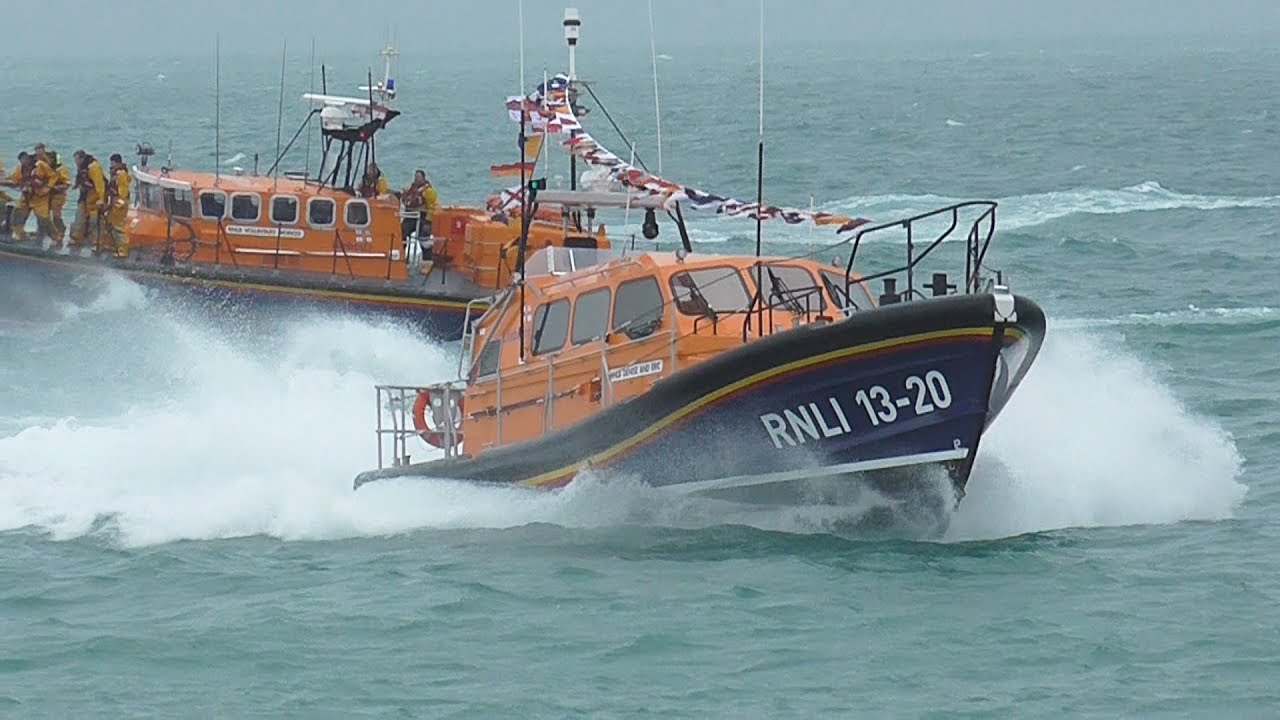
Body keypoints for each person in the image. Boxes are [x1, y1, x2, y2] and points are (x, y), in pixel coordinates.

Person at [7, 150, 56, 243]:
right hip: (26, 196)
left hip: (40, 197)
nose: (24, 162)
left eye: (25, 159)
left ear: (28, 158)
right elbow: (14, 180)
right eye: (21, 161)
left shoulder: (40, 165)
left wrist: (48, 187)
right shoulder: (20, 169)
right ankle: (20, 234)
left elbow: (53, 176)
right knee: (17, 213)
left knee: (44, 218)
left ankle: (55, 238)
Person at [70, 150, 107, 250]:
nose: (76, 163)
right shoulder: (82, 167)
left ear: (82, 158)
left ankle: (97, 243)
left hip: (95, 198)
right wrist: (76, 185)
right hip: (85, 196)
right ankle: (77, 238)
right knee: (79, 216)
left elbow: (100, 185)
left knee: (95, 221)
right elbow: (80, 179)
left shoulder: (93, 167)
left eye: (77, 160)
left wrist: (101, 199)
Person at [38, 144, 72, 247]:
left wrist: (56, 187)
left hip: (58, 196)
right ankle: (43, 231)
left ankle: (60, 232)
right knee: (43, 214)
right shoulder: (48, 169)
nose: (47, 161)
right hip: (49, 195)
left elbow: (67, 184)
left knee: (56, 215)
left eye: (49, 159)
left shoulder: (61, 170)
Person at [400, 169, 439, 258]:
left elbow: (432, 207)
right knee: (401, 233)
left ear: (423, 178)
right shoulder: (411, 189)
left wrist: (428, 222)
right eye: (415, 177)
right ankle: (401, 257)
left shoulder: (429, 191)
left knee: (424, 239)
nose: (416, 179)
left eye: (418, 177)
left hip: (423, 217)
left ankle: (427, 260)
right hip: (410, 216)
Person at [103, 153, 131, 258]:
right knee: (110, 223)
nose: (111, 165)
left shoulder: (121, 174)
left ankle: (123, 250)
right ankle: (112, 245)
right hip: (114, 202)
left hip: (119, 204)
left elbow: (123, 191)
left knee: (119, 227)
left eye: (112, 163)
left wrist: (119, 203)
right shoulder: (116, 174)